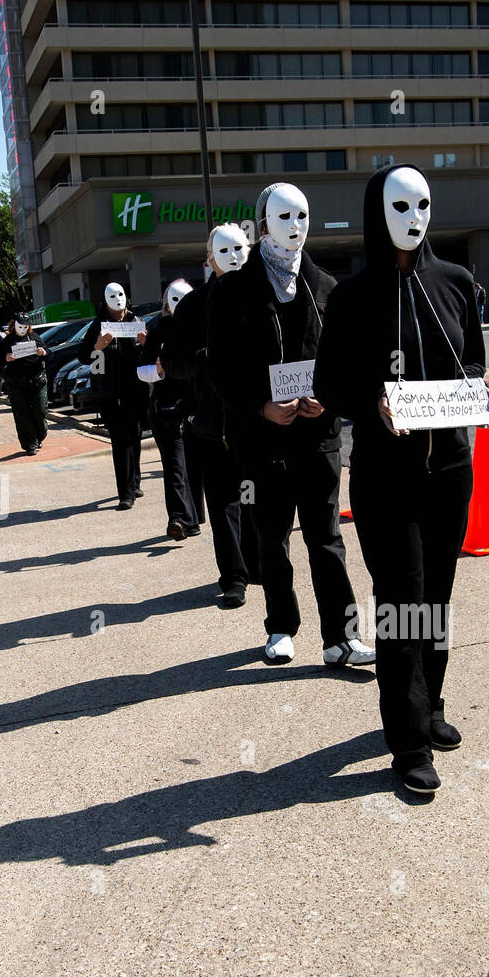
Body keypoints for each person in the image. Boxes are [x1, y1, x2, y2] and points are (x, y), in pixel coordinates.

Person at [316, 163, 486, 797]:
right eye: (400, 206)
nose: (414, 219)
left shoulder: (457, 282)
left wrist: (474, 388)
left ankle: (431, 704)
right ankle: (407, 740)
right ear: (375, 212)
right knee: (403, 603)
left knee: (436, 597)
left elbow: (472, 357)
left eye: (423, 205)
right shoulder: (352, 297)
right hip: (388, 478)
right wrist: (372, 400)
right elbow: (328, 383)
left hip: (450, 468)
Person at [206, 182, 374, 668]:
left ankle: (341, 638)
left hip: (318, 437)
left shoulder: (326, 287)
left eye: (303, 215)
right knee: (271, 537)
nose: (295, 227)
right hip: (262, 440)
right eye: (284, 217)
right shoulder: (232, 291)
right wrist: (260, 406)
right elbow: (221, 368)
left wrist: (330, 397)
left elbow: (345, 360)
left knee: (326, 538)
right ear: (262, 224)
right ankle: (280, 626)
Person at [162, 223, 261, 608]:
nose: (234, 256)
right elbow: (171, 362)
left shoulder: (265, 295)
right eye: (224, 250)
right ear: (209, 259)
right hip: (212, 426)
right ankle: (234, 575)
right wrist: (202, 361)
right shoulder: (192, 306)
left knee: (256, 498)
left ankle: (257, 564)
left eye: (240, 248)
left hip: (259, 421)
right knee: (223, 505)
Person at [138, 279, 201, 539]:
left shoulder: (201, 327)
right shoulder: (158, 329)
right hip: (167, 409)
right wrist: (160, 371)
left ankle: (192, 518)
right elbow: (142, 371)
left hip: (197, 407)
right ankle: (178, 518)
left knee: (194, 468)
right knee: (175, 467)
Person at [77, 283, 148, 509]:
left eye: (121, 296)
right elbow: (83, 357)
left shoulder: (135, 321)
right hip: (109, 393)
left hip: (135, 390)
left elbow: (148, 353)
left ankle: (134, 481)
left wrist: (146, 344)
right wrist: (97, 347)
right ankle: (125, 494)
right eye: (113, 297)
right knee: (120, 442)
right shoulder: (98, 325)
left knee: (134, 437)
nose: (118, 301)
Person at [2, 316, 50, 455]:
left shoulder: (35, 337)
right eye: (19, 326)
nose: (22, 330)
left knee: (40, 410)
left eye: (25, 327)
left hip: (37, 380)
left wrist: (44, 352)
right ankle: (30, 444)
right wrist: (6, 357)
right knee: (23, 414)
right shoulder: (8, 341)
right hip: (16, 382)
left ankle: (40, 434)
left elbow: (49, 354)